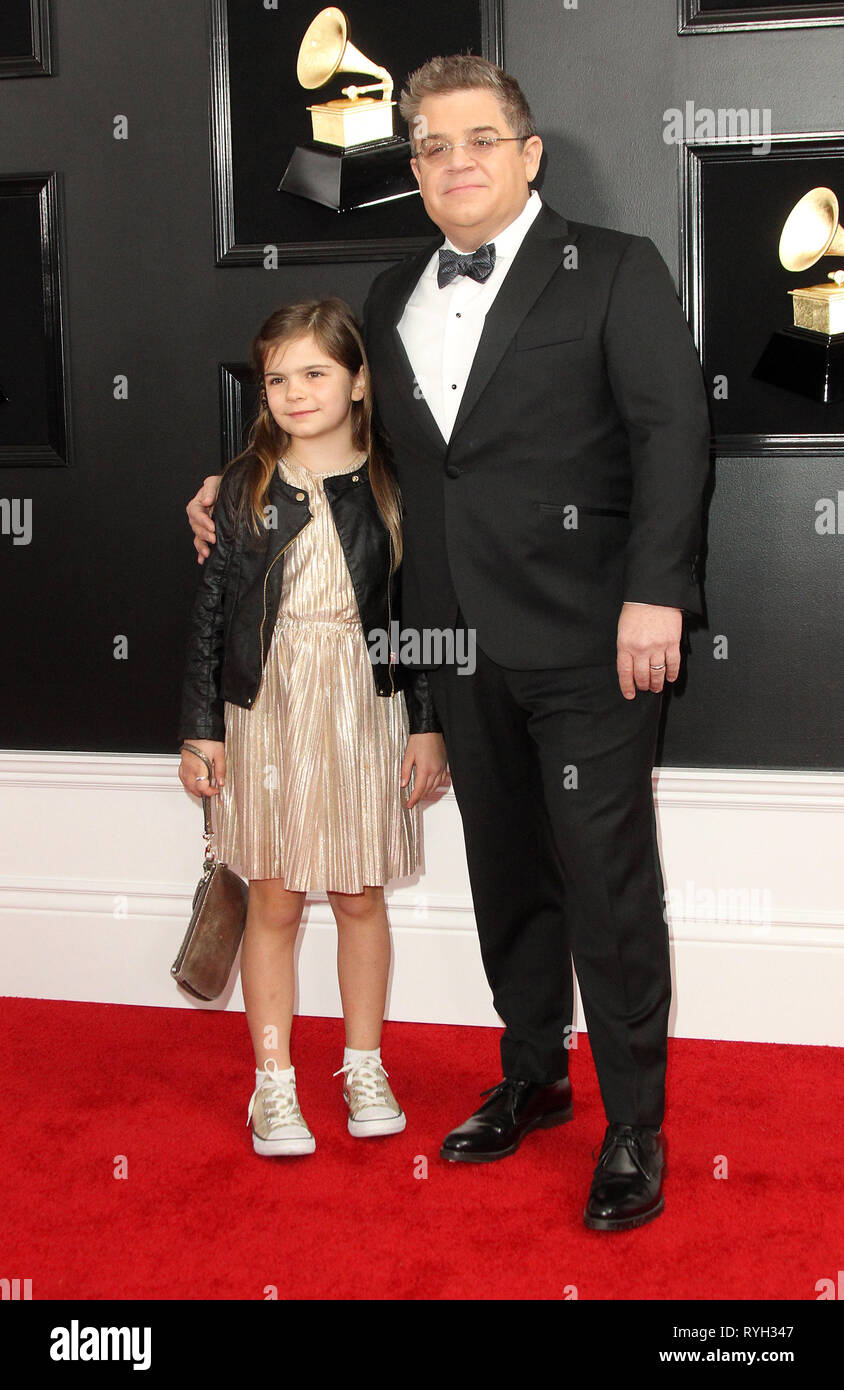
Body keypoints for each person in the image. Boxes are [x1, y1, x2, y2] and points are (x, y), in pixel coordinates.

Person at [186, 56, 712, 1229]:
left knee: (606, 881)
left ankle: (634, 1123)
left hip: (592, 640)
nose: (454, 160)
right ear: (413, 169)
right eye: (429, 145)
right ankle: (534, 1078)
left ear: (526, 155)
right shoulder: (387, 296)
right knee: (505, 872)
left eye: (479, 139)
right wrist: (228, 494)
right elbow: (354, 460)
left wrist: (657, 594)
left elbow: (673, 435)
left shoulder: (614, 270)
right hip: (451, 643)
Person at [177, 296, 448, 1157]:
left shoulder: (394, 485)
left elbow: (416, 612)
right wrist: (200, 729)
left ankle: (362, 1064)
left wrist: (427, 725)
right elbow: (212, 613)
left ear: (359, 381)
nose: (295, 393)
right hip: (268, 708)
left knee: (360, 893)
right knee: (276, 896)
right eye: (278, 379)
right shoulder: (245, 483)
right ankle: (273, 1084)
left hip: (367, 706)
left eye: (316, 373)